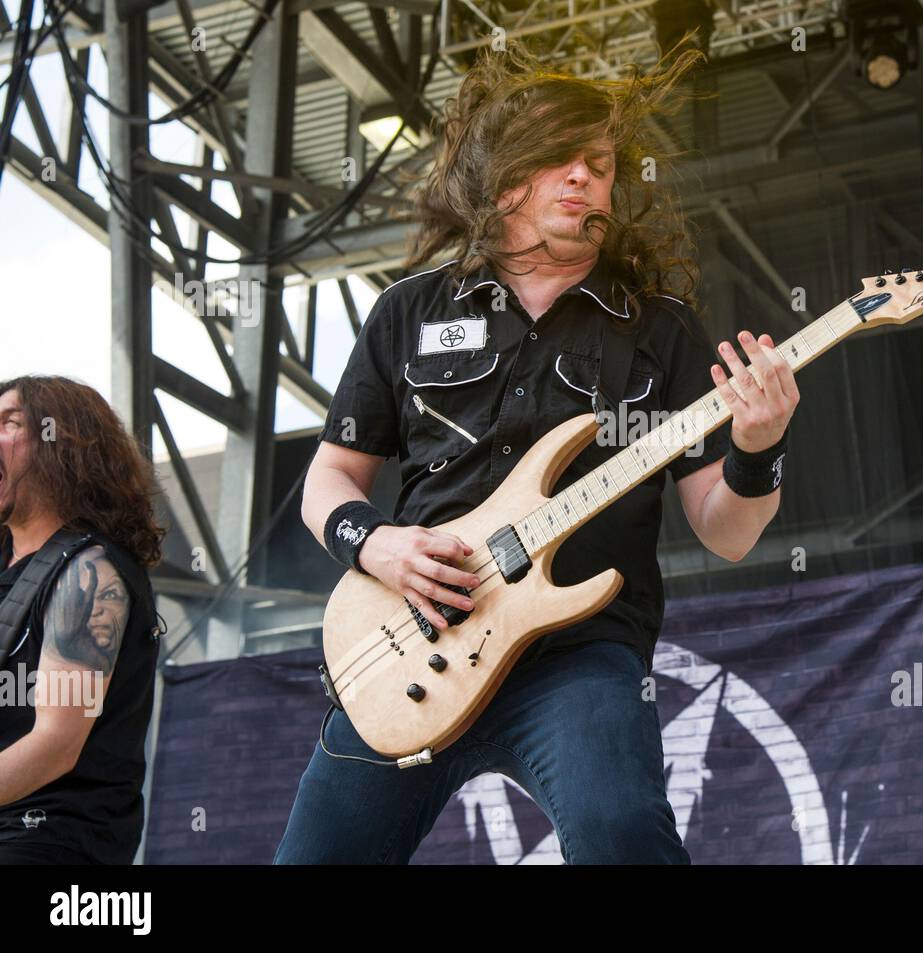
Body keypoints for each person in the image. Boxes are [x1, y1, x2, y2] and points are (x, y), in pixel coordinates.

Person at [276, 41, 799, 864]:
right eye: (560, 159)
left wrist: (757, 448)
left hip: (577, 651)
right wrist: (379, 544)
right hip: (417, 639)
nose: (585, 176)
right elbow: (329, 480)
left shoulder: (657, 329)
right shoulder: (409, 310)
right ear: (502, 176)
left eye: (599, 162)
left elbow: (726, 529)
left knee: (620, 831)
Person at [0, 376, 164, 864]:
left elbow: (54, 745)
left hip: (45, 842)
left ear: (64, 443)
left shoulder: (90, 571)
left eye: (9, 422)